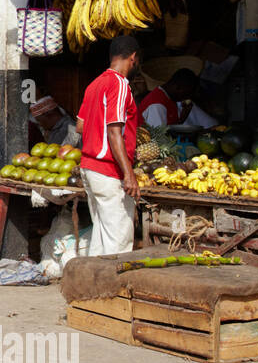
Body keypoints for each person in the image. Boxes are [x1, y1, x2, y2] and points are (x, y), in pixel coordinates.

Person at [75, 34, 142, 256]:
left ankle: (93, 287)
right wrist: (128, 174)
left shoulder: (94, 84)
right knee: (118, 241)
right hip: (107, 171)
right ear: (133, 58)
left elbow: (80, 126)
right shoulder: (120, 84)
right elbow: (115, 132)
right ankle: (114, 288)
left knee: (101, 235)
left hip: (89, 168)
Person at [138, 68, 216, 129]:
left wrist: (182, 118)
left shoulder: (168, 98)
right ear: (178, 88)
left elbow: (168, 129)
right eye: (187, 93)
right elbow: (159, 139)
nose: (188, 97)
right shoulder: (158, 105)